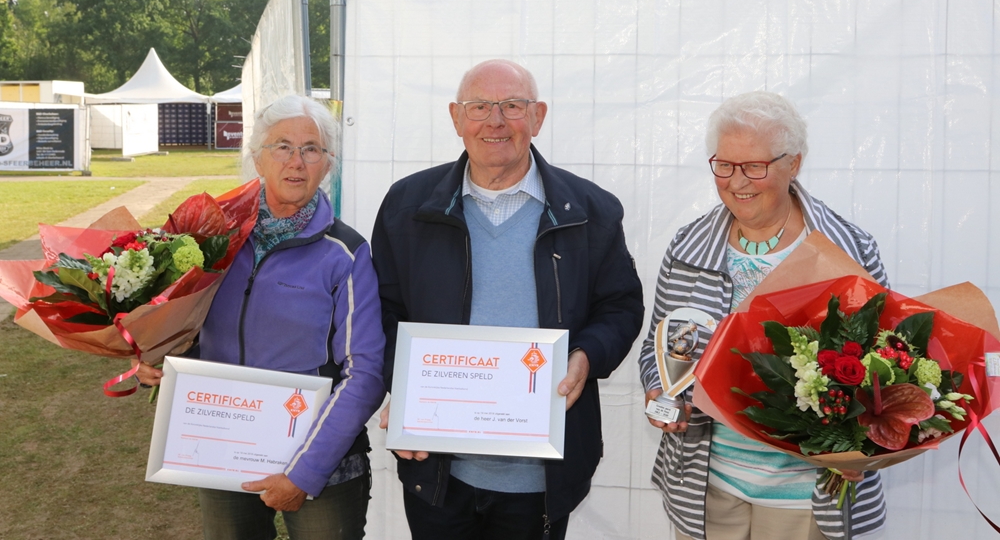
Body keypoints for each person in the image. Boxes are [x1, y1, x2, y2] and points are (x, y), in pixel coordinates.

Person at [371, 59, 644, 540]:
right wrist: (406, 383)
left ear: (537, 117)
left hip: (540, 475)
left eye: (512, 106)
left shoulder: (591, 211)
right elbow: (384, 311)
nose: (495, 121)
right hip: (437, 468)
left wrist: (585, 357)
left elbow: (621, 307)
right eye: (479, 106)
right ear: (457, 118)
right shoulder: (408, 207)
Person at [638, 91, 888, 540]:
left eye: (755, 166)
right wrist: (658, 388)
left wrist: (862, 447)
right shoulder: (688, 246)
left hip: (804, 494)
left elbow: (882, 370)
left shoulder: (848, 250)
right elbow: (658, 344)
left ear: (794, 163)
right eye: (725, 165)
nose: (738, 181)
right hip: (708, 484)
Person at [138, 94, 385, 540]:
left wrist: (304, 473)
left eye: (312, 149)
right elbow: (178, 322)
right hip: (221, 446)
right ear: (257, 158)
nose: (297, 161)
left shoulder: (346, 253)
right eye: (283, 146)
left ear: (327, 164)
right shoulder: (211, 240)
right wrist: (155, 355)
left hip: (320, 464)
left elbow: (364, 372)